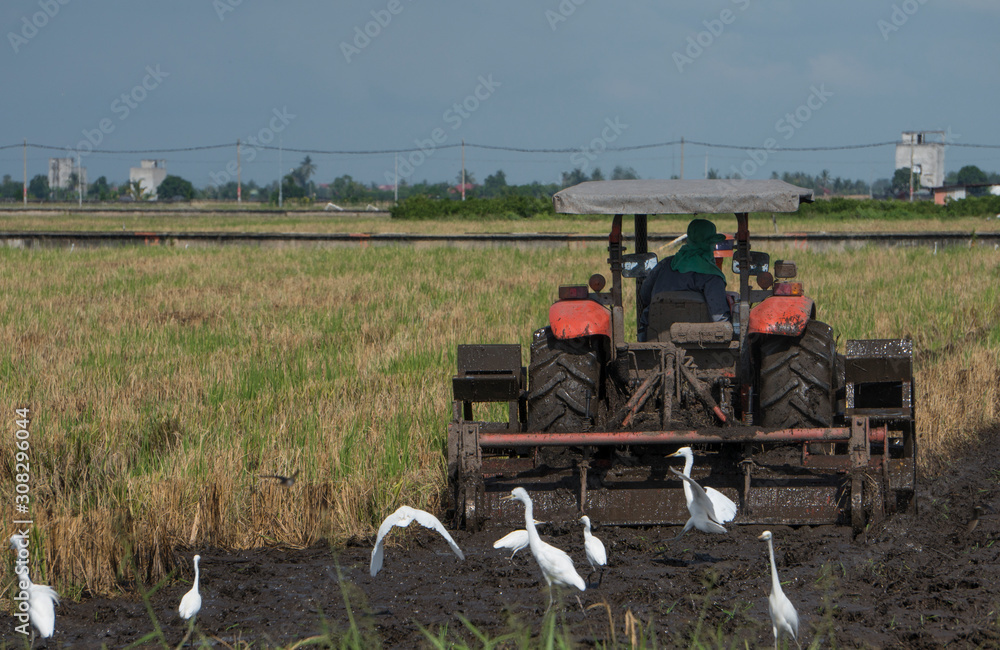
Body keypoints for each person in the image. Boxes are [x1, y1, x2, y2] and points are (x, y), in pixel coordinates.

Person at [638, 218, 730, 342]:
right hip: (701, 346)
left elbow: (644, 295)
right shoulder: (712, 276)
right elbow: (719, 319)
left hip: (656, 337)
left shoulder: (665, 264)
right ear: (709, 244)